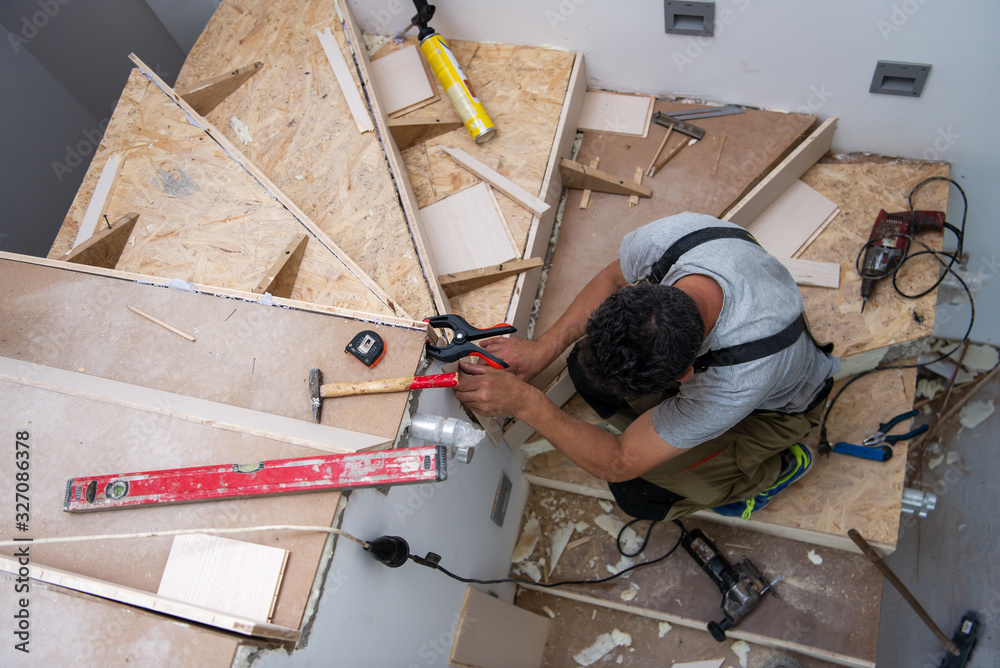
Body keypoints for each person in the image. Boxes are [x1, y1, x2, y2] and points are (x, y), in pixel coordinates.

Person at [454, 212, 839, 522]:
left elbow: (619, 461)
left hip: (775, 411)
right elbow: (611, 276)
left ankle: (779, 469)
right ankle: (663, 438)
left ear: (684, 377)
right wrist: (542, 348)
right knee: (584, 368)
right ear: (640, 291)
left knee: (641, 493)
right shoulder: (670, 241)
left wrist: (528, 405)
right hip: (740, 338)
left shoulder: (735, 380)